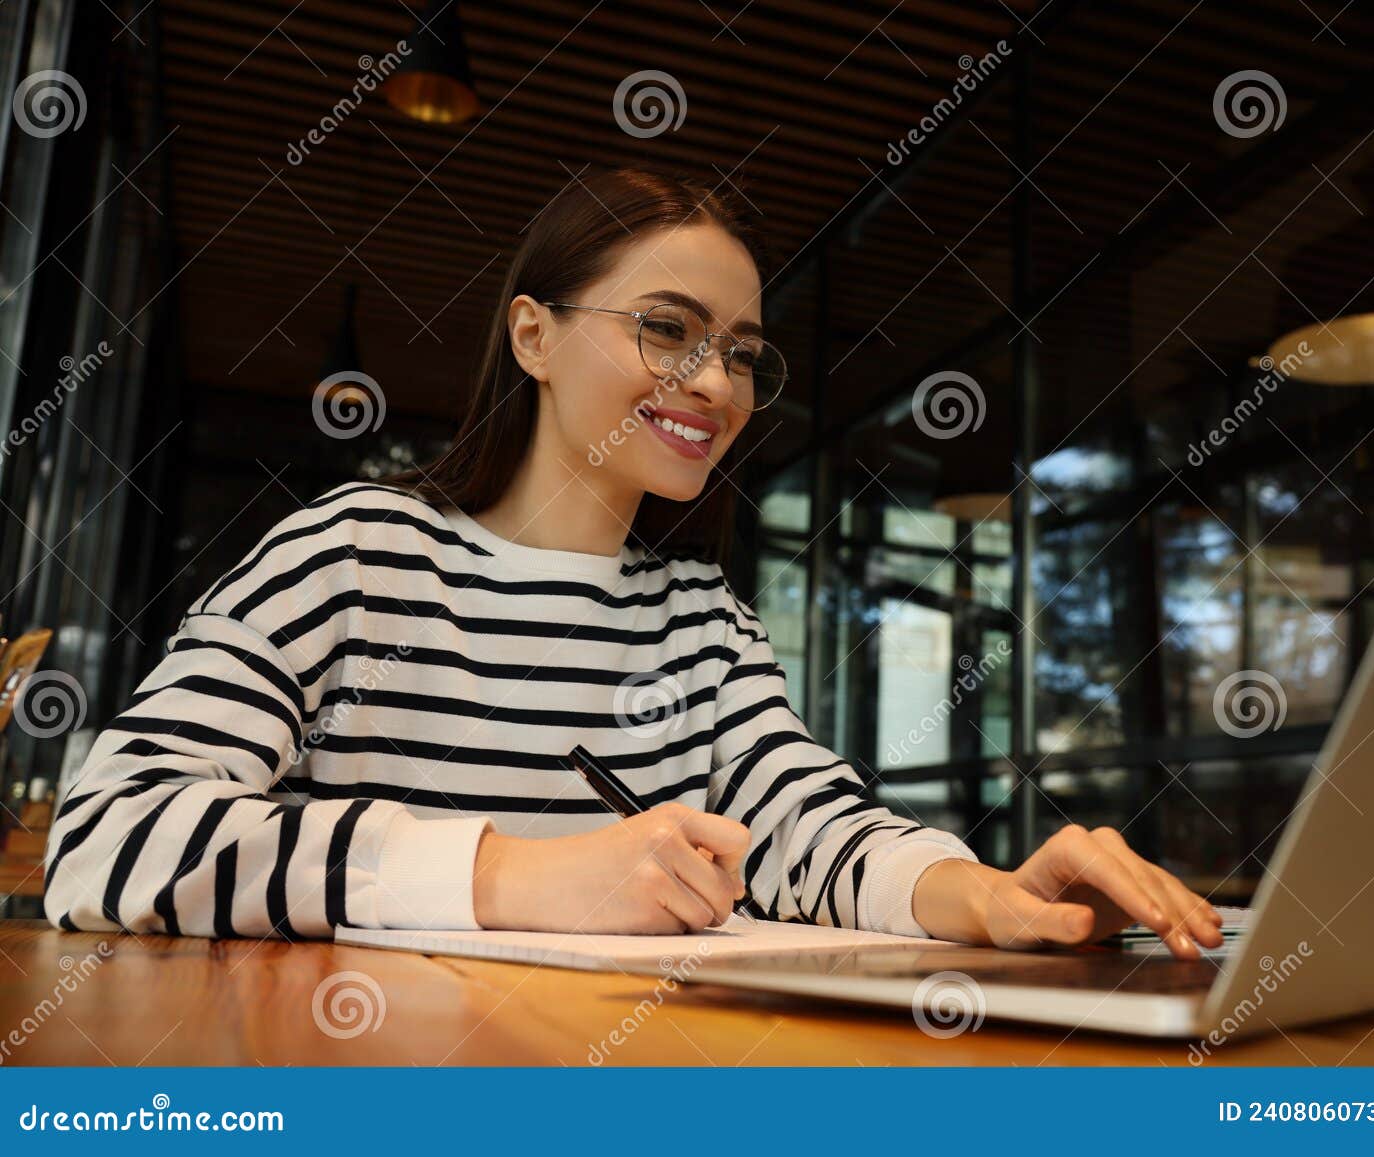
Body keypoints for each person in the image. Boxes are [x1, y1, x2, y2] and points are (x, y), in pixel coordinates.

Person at [42, 166, 1222, 957]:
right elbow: (108, 836)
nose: (714, 383)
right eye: (667, 328)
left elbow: (804, 824)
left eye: (743, 353)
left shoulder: (699, 619)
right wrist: (520, 877)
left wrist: (980, 893)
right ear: (533, 334)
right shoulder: (351, 555)